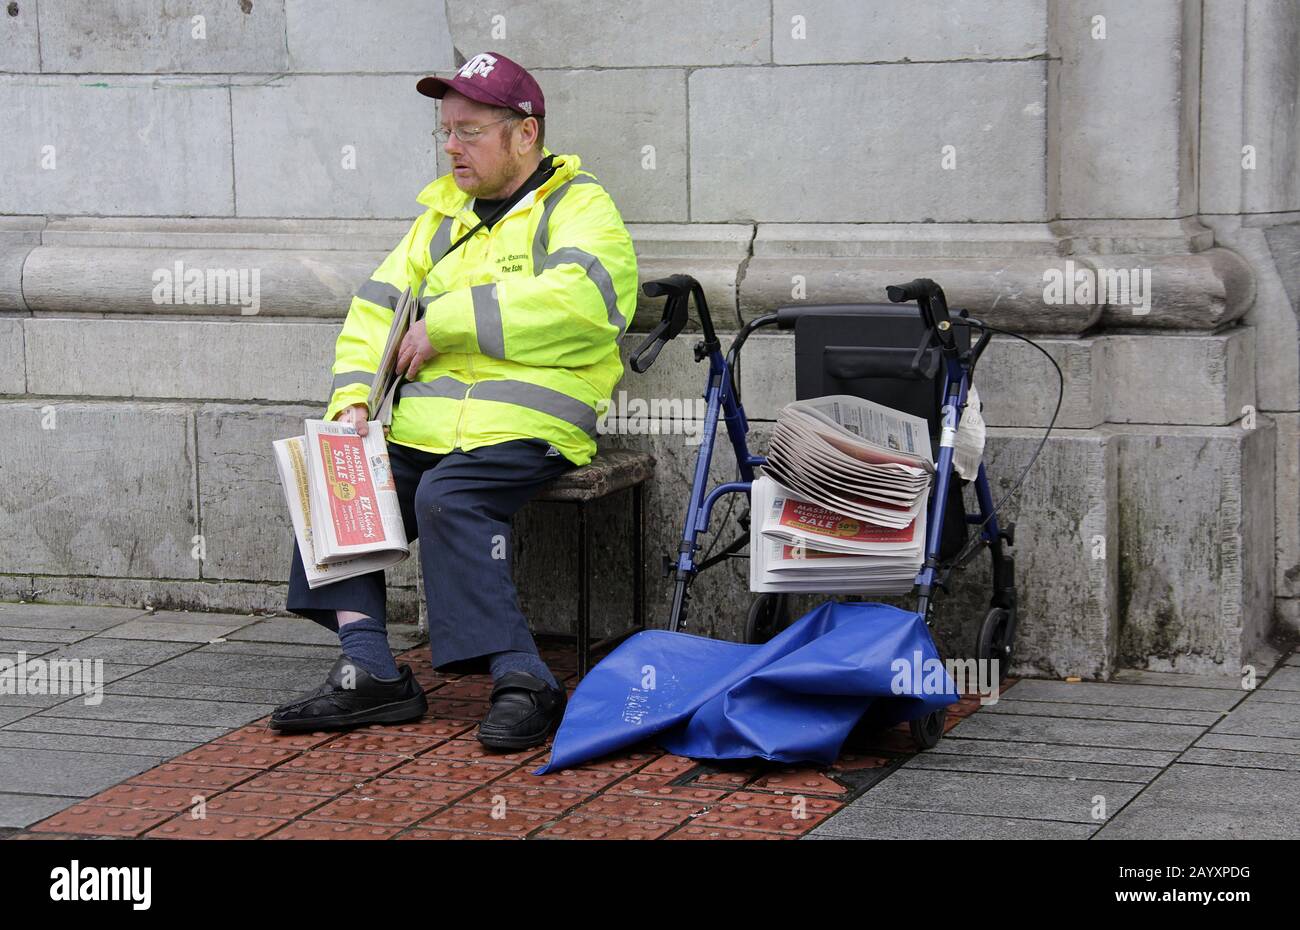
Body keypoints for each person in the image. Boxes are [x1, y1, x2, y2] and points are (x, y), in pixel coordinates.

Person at [270, 51, 638, 750]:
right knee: (333, 474)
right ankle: (371, 669)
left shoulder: (579, 205)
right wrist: (352, 399)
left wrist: (447, 322)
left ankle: (523, 676)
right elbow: (376, 309)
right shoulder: (441, 218)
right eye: (446, 131)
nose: (451, 147)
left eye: (469, 131)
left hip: (528, 422)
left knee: (448, 497)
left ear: (524, 134)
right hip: (428, 424)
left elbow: (589, 302)